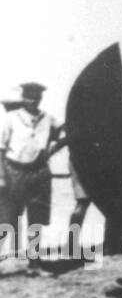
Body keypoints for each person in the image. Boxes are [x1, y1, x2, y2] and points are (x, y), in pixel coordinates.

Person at [0, 82, 65, 269]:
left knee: (36, 219)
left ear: (41, 98)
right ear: (23, 98)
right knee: (7, 219)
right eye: (29, 97)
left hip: (40, 173)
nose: (33, 101)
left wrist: (54, 148)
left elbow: (65, 130)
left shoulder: (47, 118)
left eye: (37, 97)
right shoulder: (11, 118)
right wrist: (1, 177)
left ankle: (34, 263)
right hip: (15, 172)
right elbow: (0, 149)